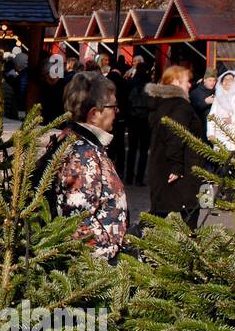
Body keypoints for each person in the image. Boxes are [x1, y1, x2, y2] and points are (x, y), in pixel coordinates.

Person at [48, 72, 129, 261]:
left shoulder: (85, 145)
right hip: (94, 268)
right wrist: (104, 254)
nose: (117, 112)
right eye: (112, 107)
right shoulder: (82, 154)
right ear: (94, 113)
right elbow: (75, 220)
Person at [145, 64, 203, 227]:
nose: (190, 85)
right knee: (186, 214)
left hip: (164, 165)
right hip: (181, 169)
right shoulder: (179, 105)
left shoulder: (164, 103)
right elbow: (175, 134)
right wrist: (176, 167)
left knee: (160, 212)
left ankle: (140, 243)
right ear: (176, 82)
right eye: (186, 81)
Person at [206, 69, 235, 150]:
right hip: (219, 140)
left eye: (230, 79)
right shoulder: (218, 98)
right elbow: (211, 117)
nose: (227, 81)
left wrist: (233, 119)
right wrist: (210, 134)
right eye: (225, 79)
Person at [123, 56, 151, 185]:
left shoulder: (130, 83)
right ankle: (139, 179)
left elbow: (126, 102)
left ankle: (129, 177)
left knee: (132, 150)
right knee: (143, 151)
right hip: (145, 120)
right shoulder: (150, 85)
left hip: (133, 119)